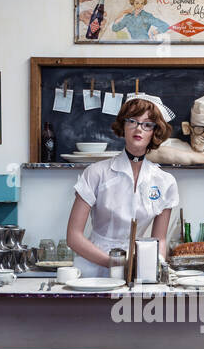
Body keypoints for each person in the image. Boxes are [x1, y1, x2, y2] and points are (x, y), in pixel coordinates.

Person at [66, 94, 178, 278]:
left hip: (139, 270)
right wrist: (116, 263)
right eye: (132, 121)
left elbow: (160, 240)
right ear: (123, 125)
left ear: (155, 132)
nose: (138, 128)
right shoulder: (96, 173)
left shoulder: (165, 182)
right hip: (93, 270)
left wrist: (155, 266)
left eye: (147, 124)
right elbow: (73, 236)